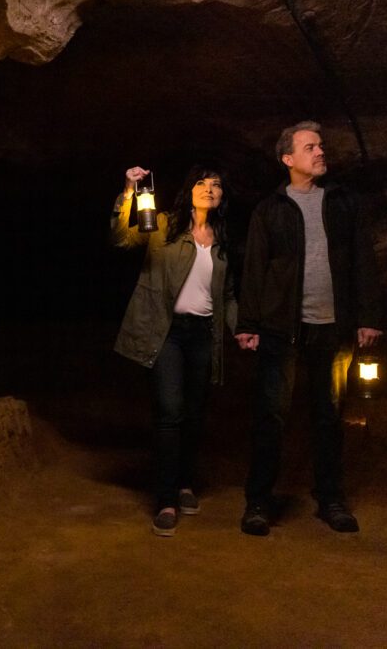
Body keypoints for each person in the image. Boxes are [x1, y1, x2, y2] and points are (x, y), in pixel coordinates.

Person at [235, 120, 382, 536]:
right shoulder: (271, 209)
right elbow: (255, 268)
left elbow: (362, 261)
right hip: (283, 328)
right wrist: (248, 322)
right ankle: (259, 503)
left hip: (333, 329)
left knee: (330, 416)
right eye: (310, 147)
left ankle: (331, 499)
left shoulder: (342, 202)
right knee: (270, 417)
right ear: (288, 159)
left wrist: (368, 316)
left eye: (320, 145)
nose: (320, 152)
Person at [111, 164, 236, 537]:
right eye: (202, 182)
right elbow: (122, 239)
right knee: (170, 411)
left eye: (216, 184)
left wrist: (242, 329)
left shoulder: (223, 240)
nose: (209, 189)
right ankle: (165, 498)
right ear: (189, 189)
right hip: (167, 333)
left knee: (194, 414)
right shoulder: (162, 225)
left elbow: (227, 295)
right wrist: (130, 192)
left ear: (222, 196)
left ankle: (184, 483)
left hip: (202, 334)